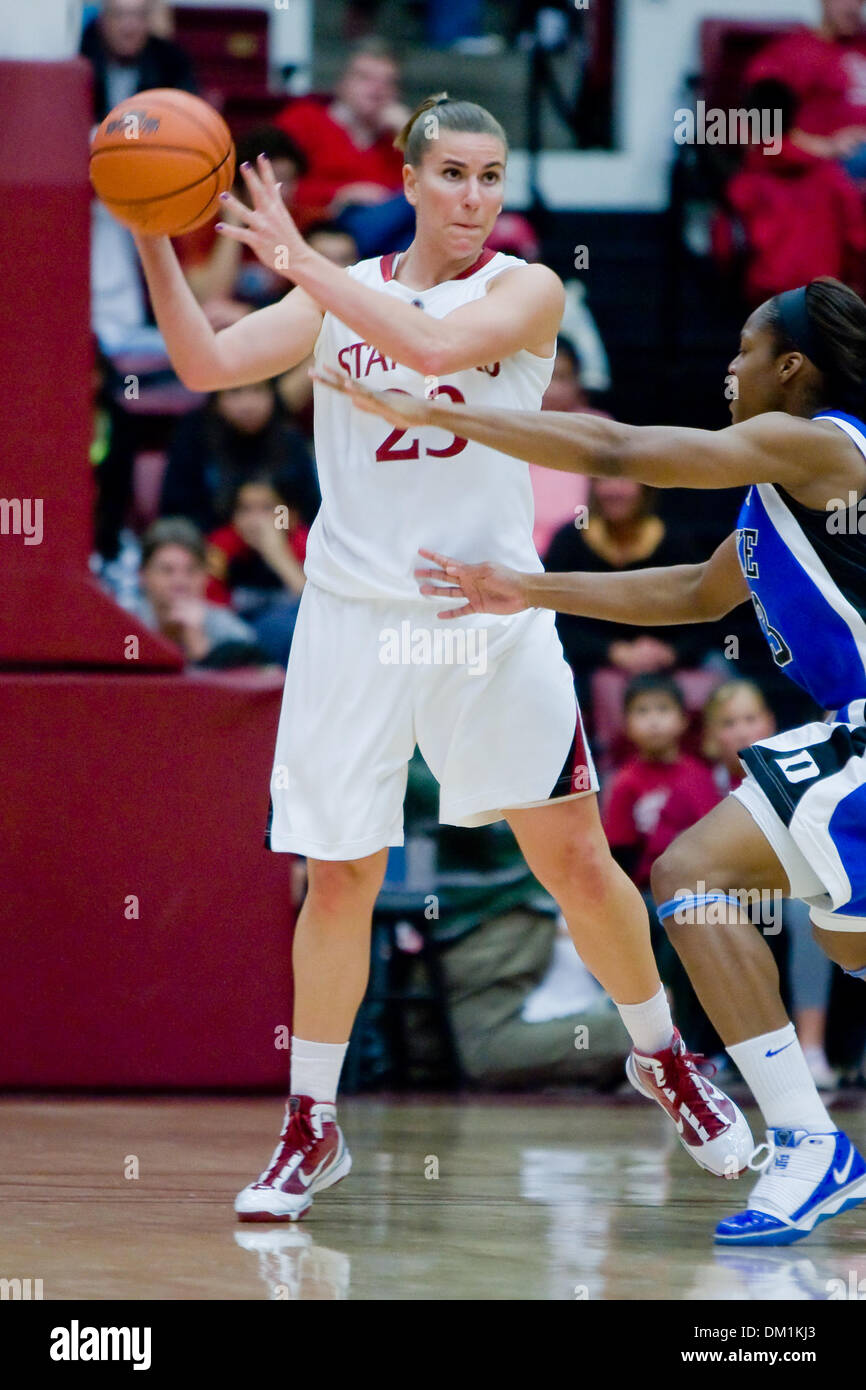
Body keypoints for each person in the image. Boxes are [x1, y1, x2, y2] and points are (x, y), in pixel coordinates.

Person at [128, 91, 752, 1222]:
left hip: (486, 617)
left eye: (490, 177)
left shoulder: (523, 287)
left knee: (571, 856)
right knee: (339, 877)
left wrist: (302, 268)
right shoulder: (341, 291)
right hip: (351, 620)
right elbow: (207, 362)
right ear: (410, 181)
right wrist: (148, 234)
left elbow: (427, 342)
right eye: (453, 174)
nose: (474, 197)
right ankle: (311, 1127)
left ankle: (663, 1057)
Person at [324, 274, 866, 1244]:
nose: (727, 363)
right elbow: (691, 597)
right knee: (789, 921)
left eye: (745, 346)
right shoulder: (779, 487)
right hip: (848, 735)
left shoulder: (817, 441)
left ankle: (804, 1141)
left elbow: (618, 448)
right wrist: (525, 588)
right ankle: (808, 1141)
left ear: (791, 365)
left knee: (698, 878)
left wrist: (446, 409)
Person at [703, 680, 838, 1090]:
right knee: (699, 913)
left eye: (751, 719)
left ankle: (811, 1048)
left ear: (771, 723)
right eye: (729, 723)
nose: (743, 730)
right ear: (710, 738)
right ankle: (721, 1053)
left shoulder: (792, 774)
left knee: (803, 912)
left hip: (788, 892)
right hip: (724, 895)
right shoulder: (695, 782)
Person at [544, 476, 711, 707]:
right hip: (587, 669)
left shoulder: (675, 542)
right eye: (604, 480)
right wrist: (612, 651)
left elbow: (705, 616)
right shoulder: (569, 541)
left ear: (645, 487)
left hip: (668, 667)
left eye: (625, 480)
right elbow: (553, 619)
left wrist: (671, 652)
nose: (614, 490)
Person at [603, 674, 720, 894]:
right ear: (626, 723)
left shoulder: (700, 775)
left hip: (705, 884)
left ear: (683, 719)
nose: (653, 721)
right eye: (642, 711)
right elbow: (619, 851)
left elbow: (716, 838)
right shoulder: (624, 782)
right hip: (647, 891)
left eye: (663, 709)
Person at [159, 380, 319, 537]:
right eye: (235, 391)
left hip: (285, 545)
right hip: (208, 548)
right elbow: (175, 514)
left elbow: (312, 515)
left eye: (258, 390)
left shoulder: (290, 441)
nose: (248, 404)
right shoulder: (194, 436)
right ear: (216, 398)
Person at [127, 518, 266, 668]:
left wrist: (199, 647)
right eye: (167, 570)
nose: (180, 582)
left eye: (191, 571)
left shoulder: (232, 633)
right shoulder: (125, 628)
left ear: (205, 577)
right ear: (142, 575)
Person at [206, 473, 308, 667]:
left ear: (291, 516)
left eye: (267, 508)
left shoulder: (307, 543)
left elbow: (316, 607)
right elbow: (212, 612)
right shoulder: (221, 546)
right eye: (245, 509)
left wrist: (277, 555)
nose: (255, 519)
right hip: (239, 645)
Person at [80, 0, 196, 121]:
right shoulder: (83, 58)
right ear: (102, 21)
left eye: (139, 15)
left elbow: (186, 116)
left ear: (149, 22)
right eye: (119, 15)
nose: (129, 27)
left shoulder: (172, 64)